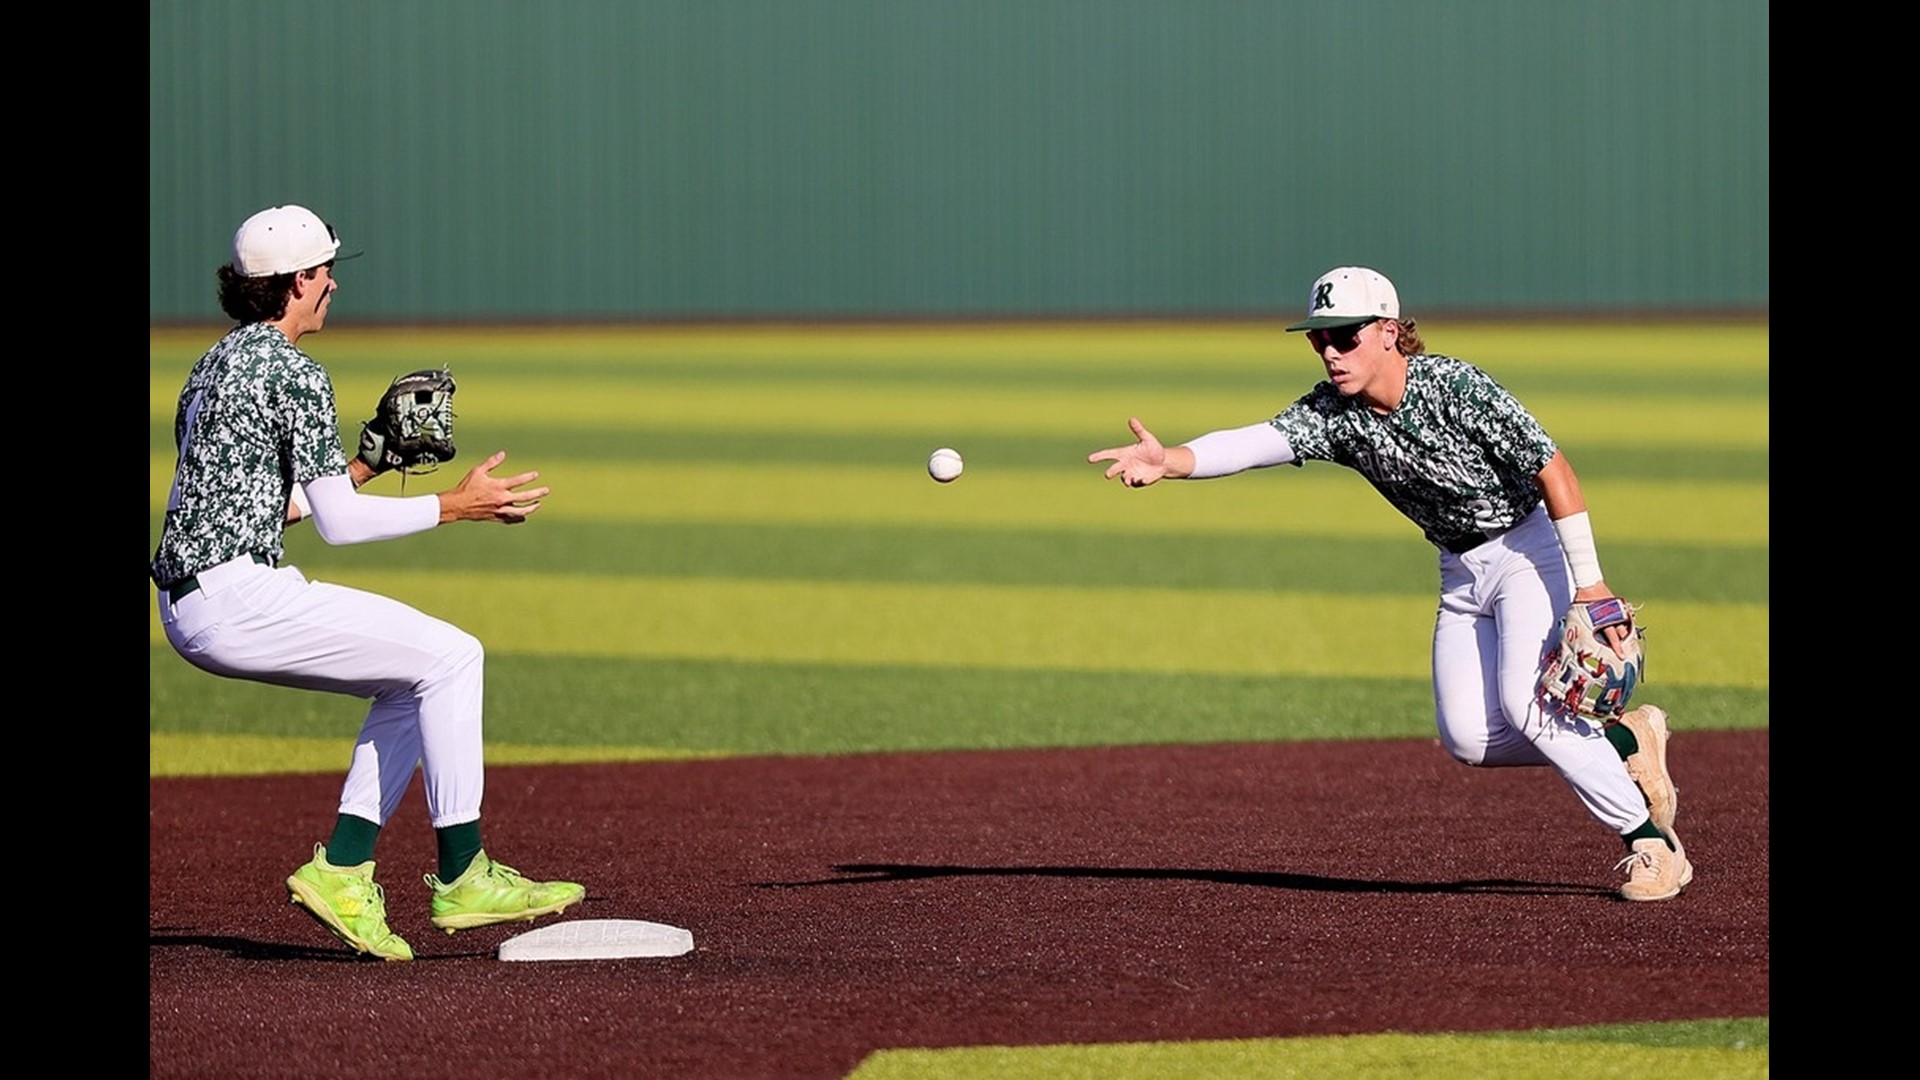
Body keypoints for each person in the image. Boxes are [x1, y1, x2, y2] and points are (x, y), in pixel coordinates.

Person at [1088, 267, 1690, 901]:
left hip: (1525, 551)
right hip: (1458, 570)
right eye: (1318, 340)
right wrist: (1171, 462)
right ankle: (1624, 737)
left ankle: (1651, 842)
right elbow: (1254, 442)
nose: (1329, 352)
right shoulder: (1335, 414)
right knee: (1468, 737)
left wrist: (1590, 586)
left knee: (1528, 706)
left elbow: (1556, 472)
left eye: (1343, 337)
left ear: (1388, 333)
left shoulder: (1457, 387)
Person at [152, 204, 586, 960]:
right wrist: (458, 506)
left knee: (411, 679)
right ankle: (462, 875)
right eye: (323, 273)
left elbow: (258, 508)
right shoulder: (293, 371)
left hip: (194, 597)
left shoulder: (215, 364)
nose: (331, 288)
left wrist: (369, 464)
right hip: (238, 598)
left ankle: (347, 869)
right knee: (453, 658)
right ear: (292, 283)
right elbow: (340, 527)